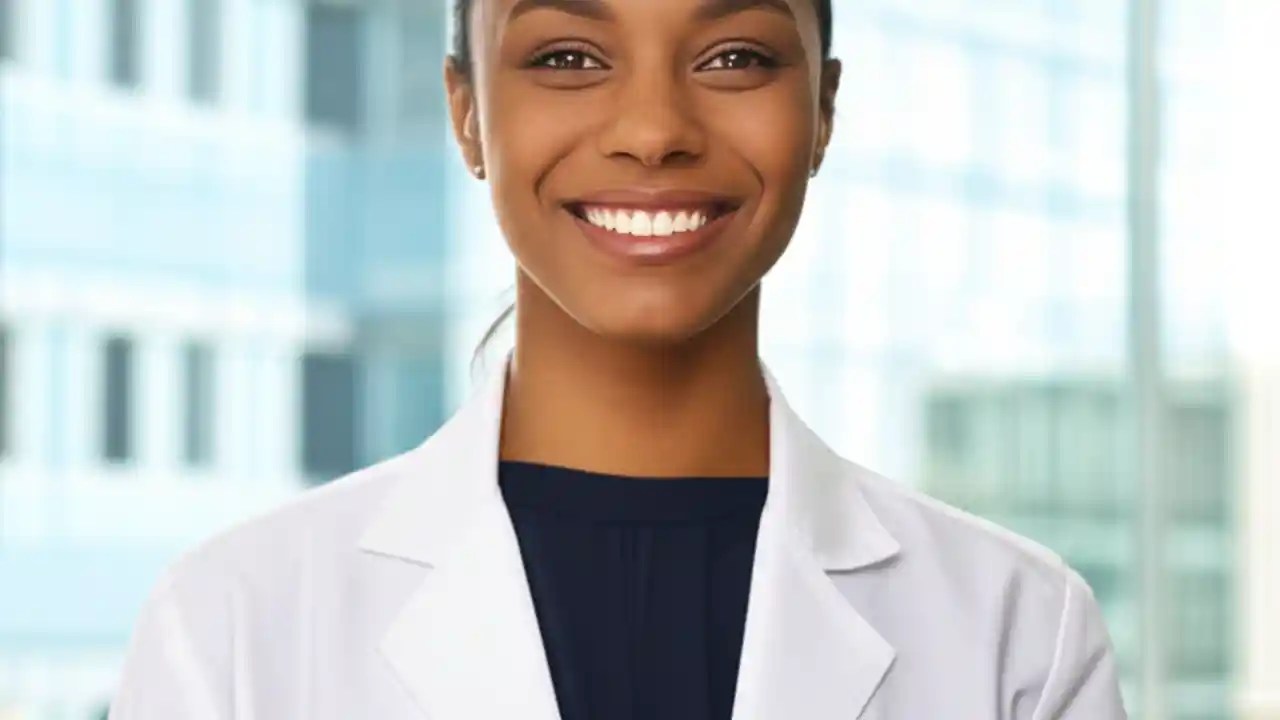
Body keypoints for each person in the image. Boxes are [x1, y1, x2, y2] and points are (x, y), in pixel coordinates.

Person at [108, 0, 1129, 718]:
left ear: (822, 110)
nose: (653, 132)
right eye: (566, 58)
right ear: (466, 112)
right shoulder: (233, 623)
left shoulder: (1016, 631)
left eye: (734, 56)